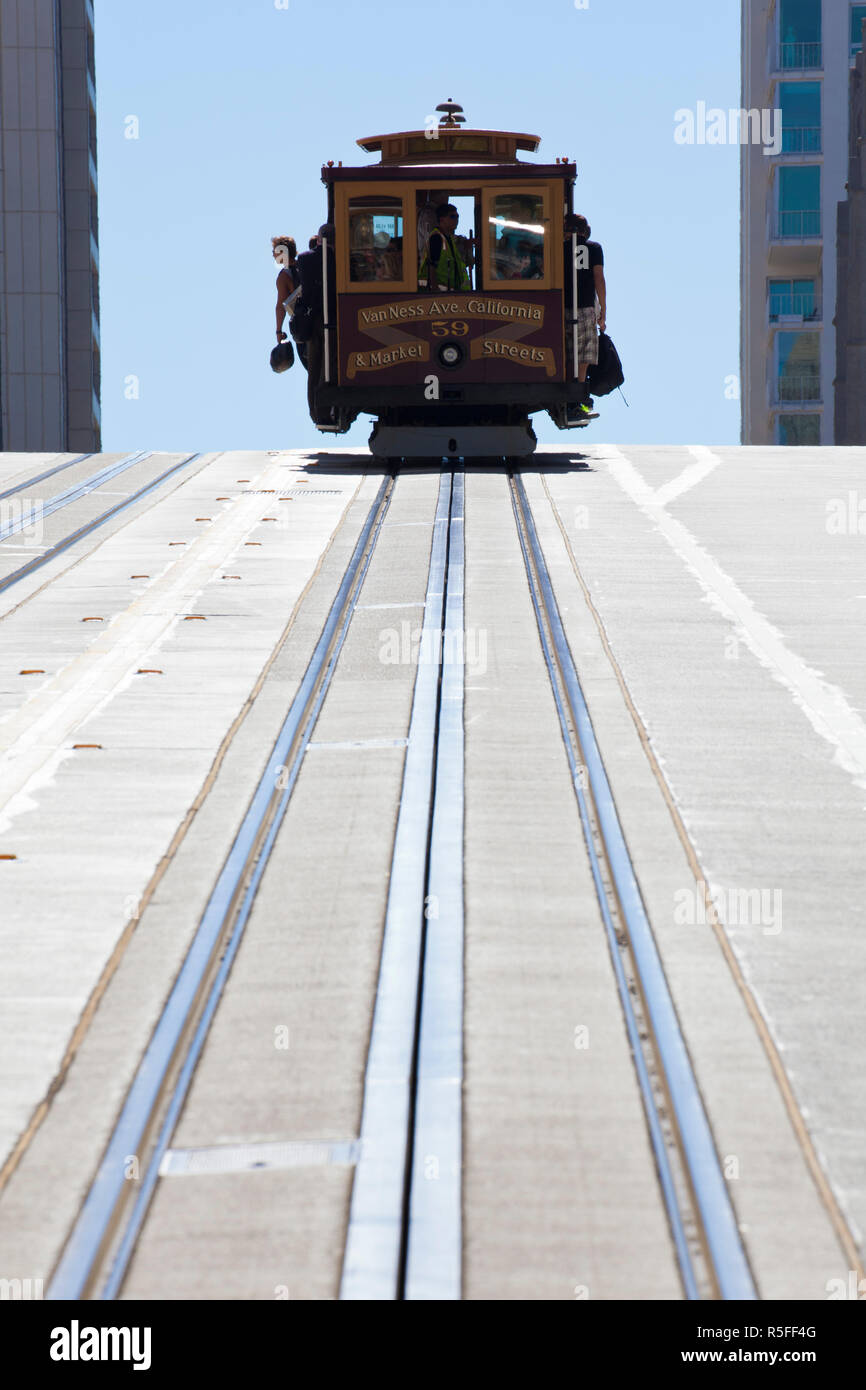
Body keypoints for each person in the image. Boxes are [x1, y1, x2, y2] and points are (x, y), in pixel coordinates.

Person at [565, 213, 606, 417]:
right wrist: (603, 312)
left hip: (561, 308)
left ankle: (571, 396)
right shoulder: (594, 248)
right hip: (585, 307)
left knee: (566, 353)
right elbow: (599, 278)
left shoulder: (559, 248)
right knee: (584, 356)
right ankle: (579, 398)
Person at [295, 223, 337, 421]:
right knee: (329, 364)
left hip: (311, 319)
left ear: (319, 239)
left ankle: (315, 412)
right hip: (332, 316)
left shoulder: (304, 259)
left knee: (314, 365)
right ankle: (326, 408)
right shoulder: (338, 259)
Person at [419, 204, 471, 291]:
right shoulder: (436, 238)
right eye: (452, 216)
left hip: (449, 293)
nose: (456, 220)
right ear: (441, 219)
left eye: (457, 216)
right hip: (437, 294)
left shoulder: (449, 239)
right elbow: (431, 267)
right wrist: (435, 290)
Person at [272, 236, 300, 348]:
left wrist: (278, 331)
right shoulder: (304, 265)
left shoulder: (284, 277)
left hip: (302, 323)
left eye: (274, 251)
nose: (273, 254)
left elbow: (281, 306)